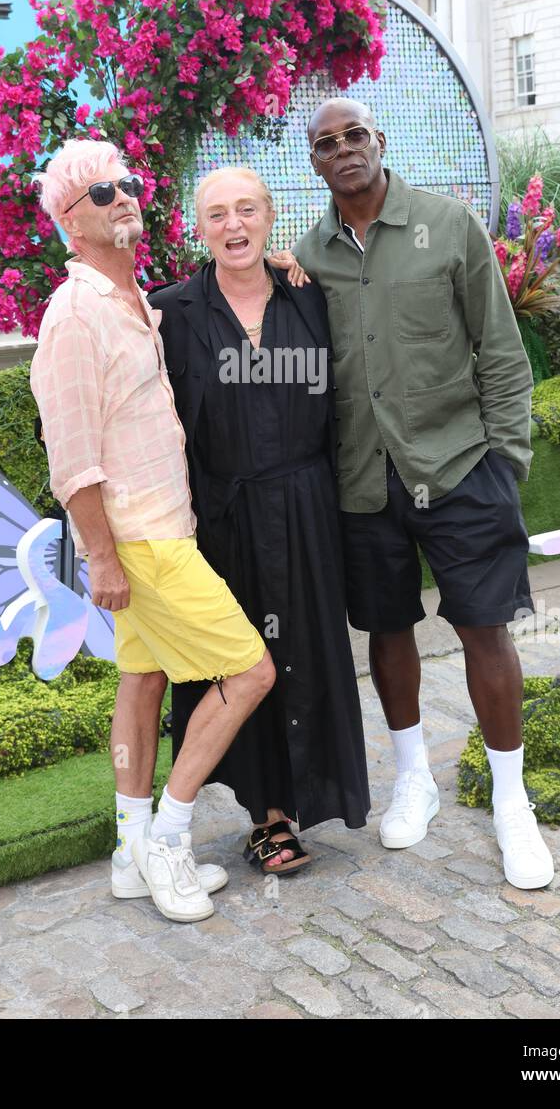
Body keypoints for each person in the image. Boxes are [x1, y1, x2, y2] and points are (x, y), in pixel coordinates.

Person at [292, 98, 555, 889]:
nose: (343, 151)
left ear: (381, 141)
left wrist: (506, 460)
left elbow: (502, 352)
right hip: (364, 481)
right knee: (386, 628)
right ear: (315, 161)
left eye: (355, 136)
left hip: (462, 467)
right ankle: (414, 779)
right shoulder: (311, 255)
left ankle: (513, 803)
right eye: (326, 143)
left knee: (485, 630)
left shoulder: (449, 226)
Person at [30, 139, 276, 923]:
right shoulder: (72, 318)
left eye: (128, 183)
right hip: (143, 541)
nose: (124, 196)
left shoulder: (131, 298)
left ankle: (130, 849)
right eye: (102, 193)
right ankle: (170, 837)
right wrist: (101, 555)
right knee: (249, 674)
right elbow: (71, 459)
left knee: (142, 681)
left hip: (164, 529)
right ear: (72, 223)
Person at [148, 168, 370, 874]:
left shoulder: (311, 301)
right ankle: (267, 816)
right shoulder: (173, 313)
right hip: (222, 518)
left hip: (307, 509)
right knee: (243, 664)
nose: (233, 225)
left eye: (247, 209)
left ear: (272, 217)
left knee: (305, 653)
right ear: (199, 228)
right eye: (217, 214)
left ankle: (305, 798)